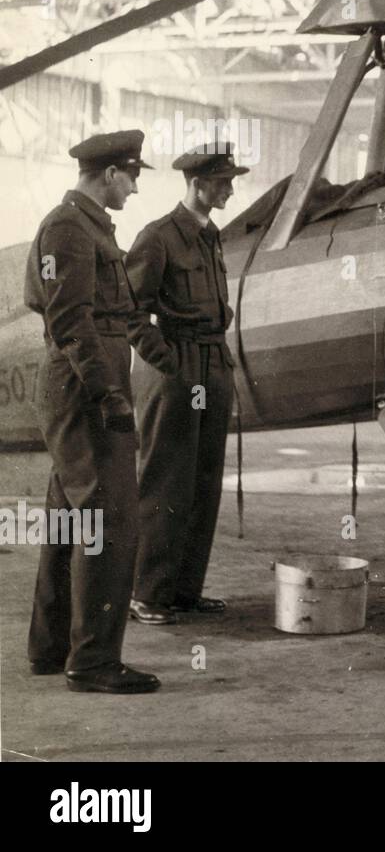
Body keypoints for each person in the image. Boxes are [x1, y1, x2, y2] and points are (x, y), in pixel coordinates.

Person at [24, 129, 172, 693]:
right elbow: (70, 323)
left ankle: (51, 648)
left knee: (70, 517)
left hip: (87, 381)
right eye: (131, 176)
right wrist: (110, 394)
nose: (134, 188)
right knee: (109, 522)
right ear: (109, 173)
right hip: (84, 387)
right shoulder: (67, 228)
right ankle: (93, 663)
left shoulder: (87, 226)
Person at [126, 143, 246, 624]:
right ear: (197, 184)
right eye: (222, 182)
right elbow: (131, 313)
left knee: (203, 482)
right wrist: (168, 362)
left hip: (213, 361)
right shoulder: (158, 236)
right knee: (166, 483)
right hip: (177, 368)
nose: (230, 189)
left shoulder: (209, 235)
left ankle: (182, 591)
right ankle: (146, 593)